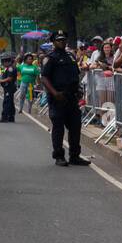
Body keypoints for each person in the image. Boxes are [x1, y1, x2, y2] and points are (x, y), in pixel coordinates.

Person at [40, 29, 90, 166]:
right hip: (58, 97)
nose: (62, 42)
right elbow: (44, 78)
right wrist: (54, 93)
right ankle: (59, 156)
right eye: (59, 40)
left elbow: (75, 75)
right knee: (58, 128)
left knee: (75, 127)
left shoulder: (71, 56)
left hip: (71, 97)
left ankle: (75, 155)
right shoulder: (50, 58)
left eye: (63, 40)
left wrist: (78, 89)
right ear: (53, 42)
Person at [0, 53, 18, 121]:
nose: (3, 63)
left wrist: (1, 81)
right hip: (8, 87)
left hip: (9, 87)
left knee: (7, 102)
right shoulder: (9, 68)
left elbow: (9, 78)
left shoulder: (10, 68)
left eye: (3, 62)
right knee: (10, 102)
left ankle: (4, 117)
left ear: (7, 61)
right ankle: (11, 117)